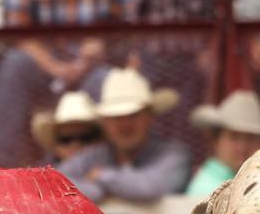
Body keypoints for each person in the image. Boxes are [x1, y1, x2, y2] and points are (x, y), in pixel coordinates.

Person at [0, 0, 133, 166]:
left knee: (108, 82)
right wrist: (55, 67)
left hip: (95, 63)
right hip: (41, 61)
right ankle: (7, 167)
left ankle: (107, 168)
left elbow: (128, 23)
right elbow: (16, 31)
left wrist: (101, 42)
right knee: (14, 65)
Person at [57, 68, 189, 204]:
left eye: (133, 115)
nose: (125, 125)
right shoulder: (92, 156)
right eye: (116, 117)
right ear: (105, 122)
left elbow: (153, 188)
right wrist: (98, 190)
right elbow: (55, 185)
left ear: (150, 117)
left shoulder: (173, 154)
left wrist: (102, 177)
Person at [186, 90, 260, 196]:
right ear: (215, 140)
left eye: (251, 138)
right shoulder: (207, 189)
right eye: (234, 137)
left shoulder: (258, 181)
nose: (242, 146)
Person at [31, 90, 100, 167]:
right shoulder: (44, 177)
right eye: (66, 140)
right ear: (56, 146)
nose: (75, 145)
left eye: (85, 138)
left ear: (98, 140)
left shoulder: (110, 173)